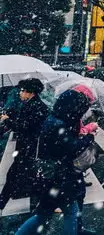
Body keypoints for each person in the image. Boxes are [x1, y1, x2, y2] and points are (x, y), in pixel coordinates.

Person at [15, 89, 97, 235]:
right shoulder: (59, 124)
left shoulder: (54, 119)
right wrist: (89, 137)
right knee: (71, 212)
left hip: (49, 176)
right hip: (59, 177)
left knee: (43, 214)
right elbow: (73, 148)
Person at [0, 79, 49, 212]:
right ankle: (48, 204)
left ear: (30, 92)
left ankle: (2, 202)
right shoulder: (32, 105)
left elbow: (24, 127)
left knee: (15, 175)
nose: (20, 93)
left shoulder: (36, 107)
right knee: (34, 178)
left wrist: (7, 121)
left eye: (22, 91)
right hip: (28, 147)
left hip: (30, 148)